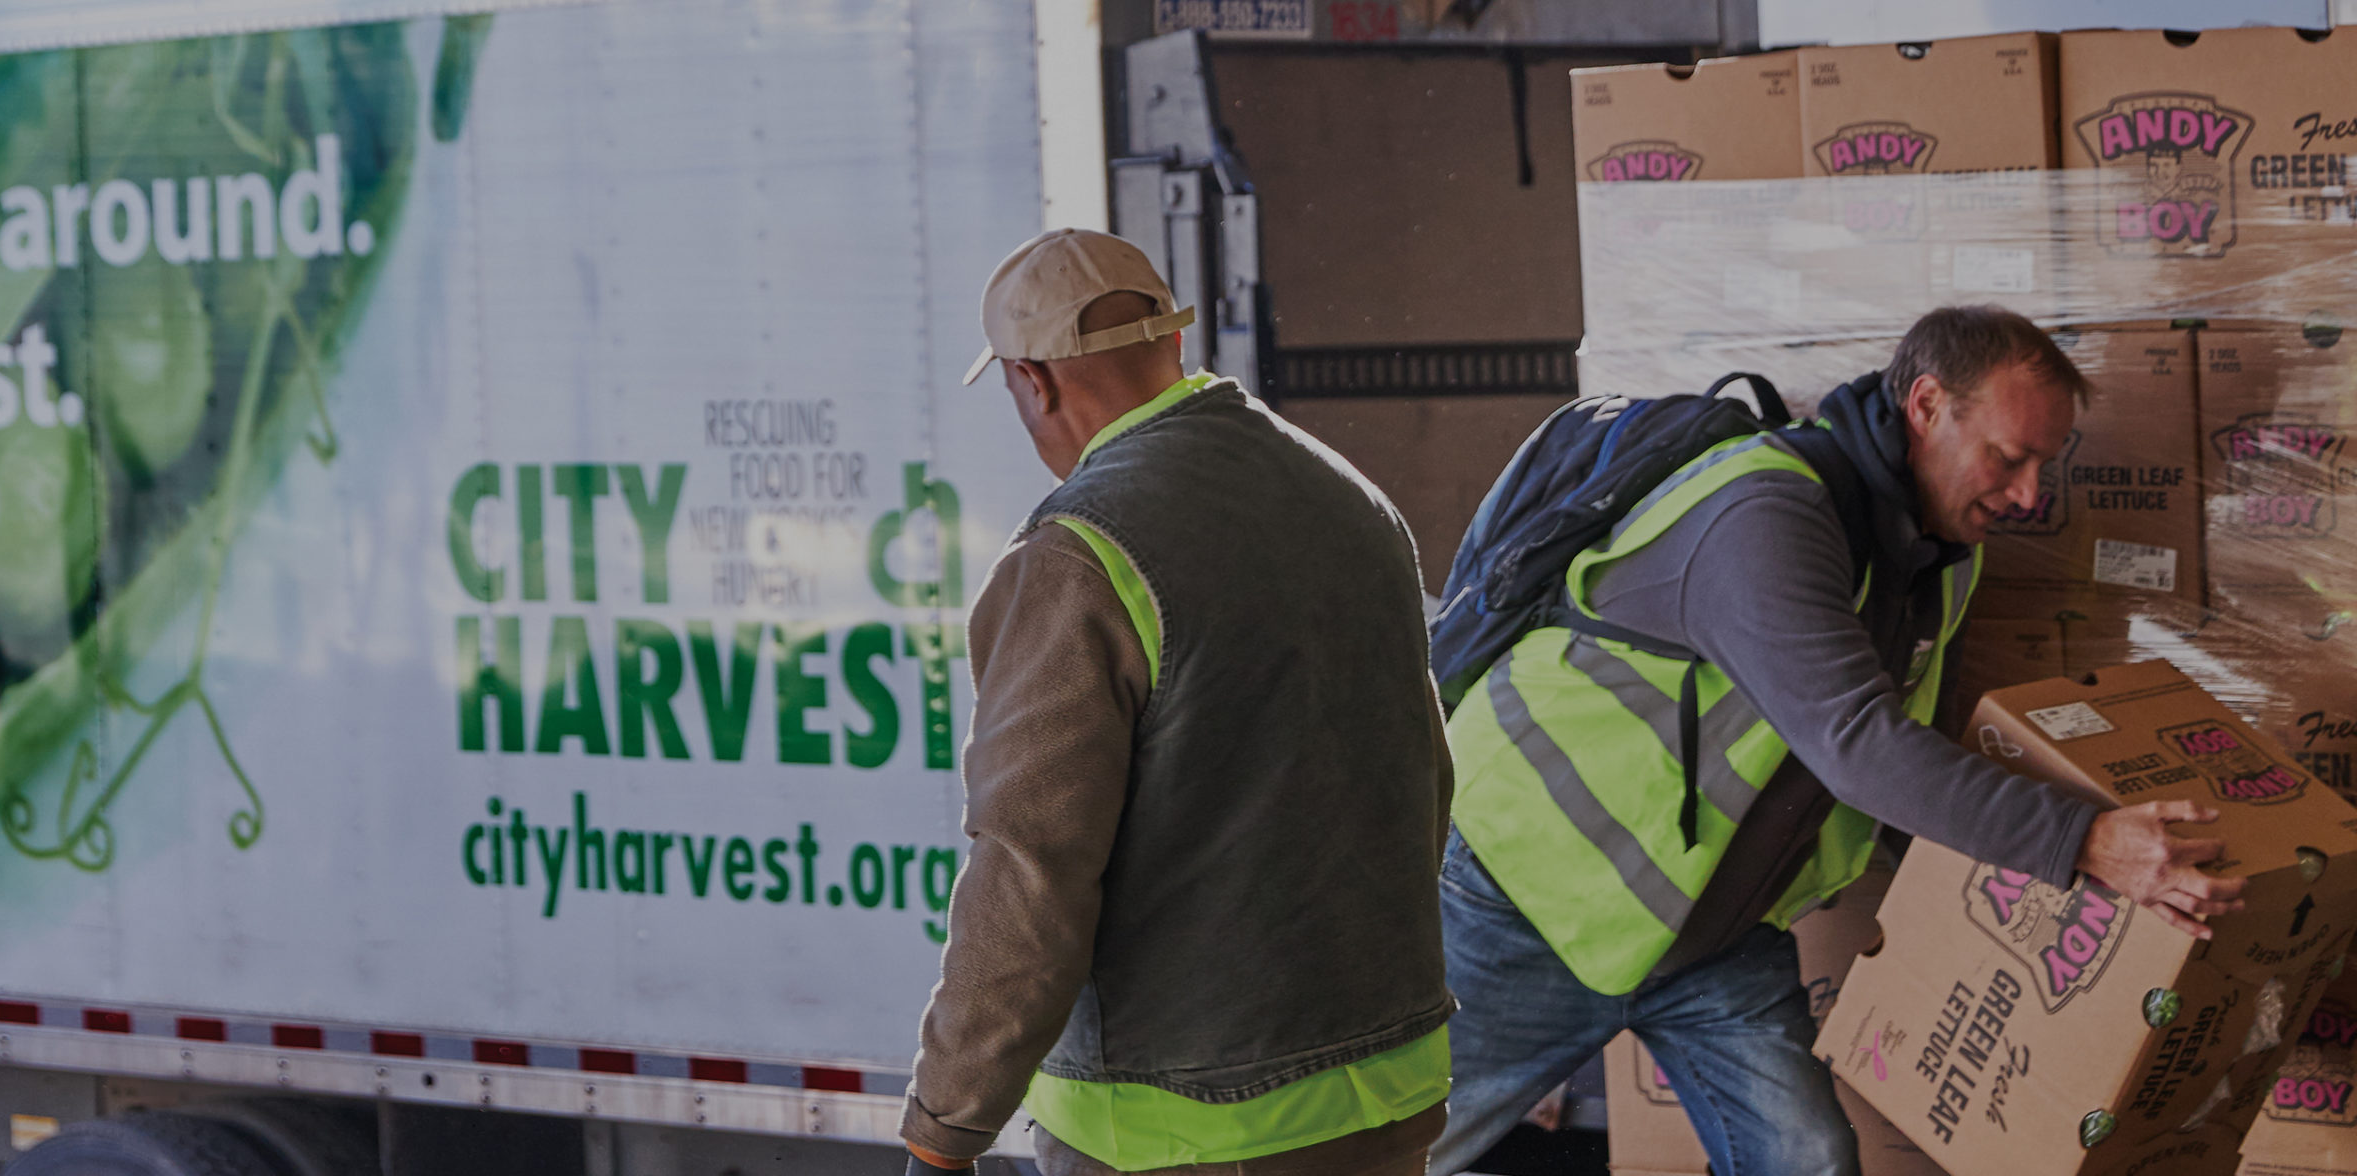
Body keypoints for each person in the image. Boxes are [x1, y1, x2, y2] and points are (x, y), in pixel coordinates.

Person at [1430, 306, 2250, 1176]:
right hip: (1529, 894)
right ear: (1928, 405)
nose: (2029, 496)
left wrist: (2081, 900)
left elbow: (1917, 756)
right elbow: (1857, 742)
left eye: (2044, 465)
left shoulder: (1940, 561)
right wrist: (2084, 842)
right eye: (2010, 458)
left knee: (1809, 1160)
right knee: (1402, 1150)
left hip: (1711, 930)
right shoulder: (1764, 511)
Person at [900, 228, 1455, 1176]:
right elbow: (1421, 776)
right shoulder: (1349, 496)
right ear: (1170, 343)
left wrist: (945, 1128)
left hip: (1187, 1122)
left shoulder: (1080, 553)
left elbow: (1032, 874)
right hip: (1389, 1085)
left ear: (1033, 382)